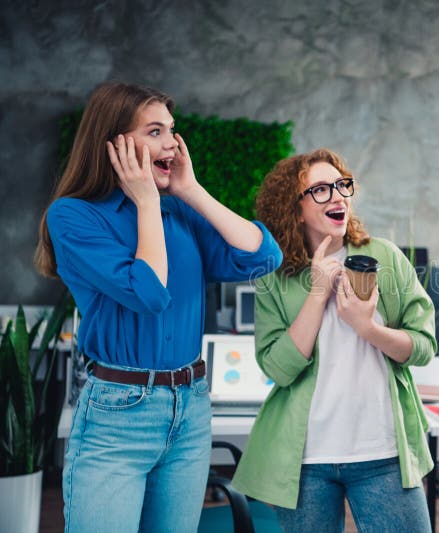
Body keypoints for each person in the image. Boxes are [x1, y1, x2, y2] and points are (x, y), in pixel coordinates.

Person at [34, 81, 283, 532]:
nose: (171, 142)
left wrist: (190, 191)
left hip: (189, 410)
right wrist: (147, 200)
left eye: (172, 129)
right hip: (117, 415)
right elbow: (148, 293)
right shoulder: (74, 216)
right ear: (114, 143)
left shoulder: (180, 211)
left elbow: (264, 258)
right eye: (154, 132)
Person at [231, 148, 436, 532]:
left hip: (384, 453)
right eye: (321, 190)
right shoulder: (274, 277)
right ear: (294, 207)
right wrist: (317, 292)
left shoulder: (385, 258)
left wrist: (367, 327)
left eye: (341, 185)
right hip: (305, 464)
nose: (338, 195)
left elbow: (423, 347)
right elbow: (278, 368)